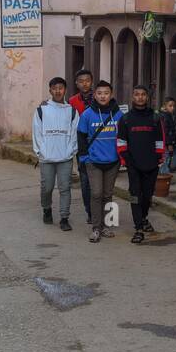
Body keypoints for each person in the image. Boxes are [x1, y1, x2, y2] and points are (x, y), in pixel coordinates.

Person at [118, 85, 166, 243]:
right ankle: (138, 228)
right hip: (133, 166)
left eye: (143, 94)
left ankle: (144, 218)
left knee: (147, 196)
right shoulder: (125, 119)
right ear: (132, 97)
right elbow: (121, 143)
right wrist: (127, 162)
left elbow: (160, 140)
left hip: (151, 165)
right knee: (134, 196)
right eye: (136, 94)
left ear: (147, 97)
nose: (140, 97)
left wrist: (159, 159)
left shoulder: (155, 118)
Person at [76, 80, 121, 243]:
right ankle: (96, 227)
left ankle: (108, 225)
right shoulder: (87, 114)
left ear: (111, 94)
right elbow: (81, 137)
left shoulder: (118, 114)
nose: (103, 96)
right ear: (95, 95)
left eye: (106, 93)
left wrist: (121, 158)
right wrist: (84, 158)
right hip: (93, 161)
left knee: (108, 194)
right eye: (100, 93)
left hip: (113, 162)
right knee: (96, 193)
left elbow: (123, 137)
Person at [33, 77, 78, 231]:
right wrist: (41, 151)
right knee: (47, 187)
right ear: (50, 90)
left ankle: (64, 218)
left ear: (65, 90)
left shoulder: (71, 111)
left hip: (65, 157)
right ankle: (46, 209)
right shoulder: (41, 110)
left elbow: (74, 134)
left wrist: (71, 151)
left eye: (61, 88)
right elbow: (36, 132)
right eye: (54, 88)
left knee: (65, 187)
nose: (58, 91)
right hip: (46, 158)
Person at [68, 69, 95, 224]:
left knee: (99, 182)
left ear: (91, 82)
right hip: (82, 146)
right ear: (77, 83)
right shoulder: (72, 101)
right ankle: (90, 211)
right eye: (81, 81)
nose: (85, 83)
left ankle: (101, 211)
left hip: (99, 145)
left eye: (87, 80)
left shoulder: (100, 98)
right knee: (85, 179)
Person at [159, 97, 176, 173]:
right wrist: (169, 144)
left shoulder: (171, 115)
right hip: (166, 142)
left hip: (173, 141)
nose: (173, 108)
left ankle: (169, 169)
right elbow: (166, 131)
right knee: (166, 158)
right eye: (170, 106)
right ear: (165, 106)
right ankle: (164, 176)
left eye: (174, 106)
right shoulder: (164, 116)